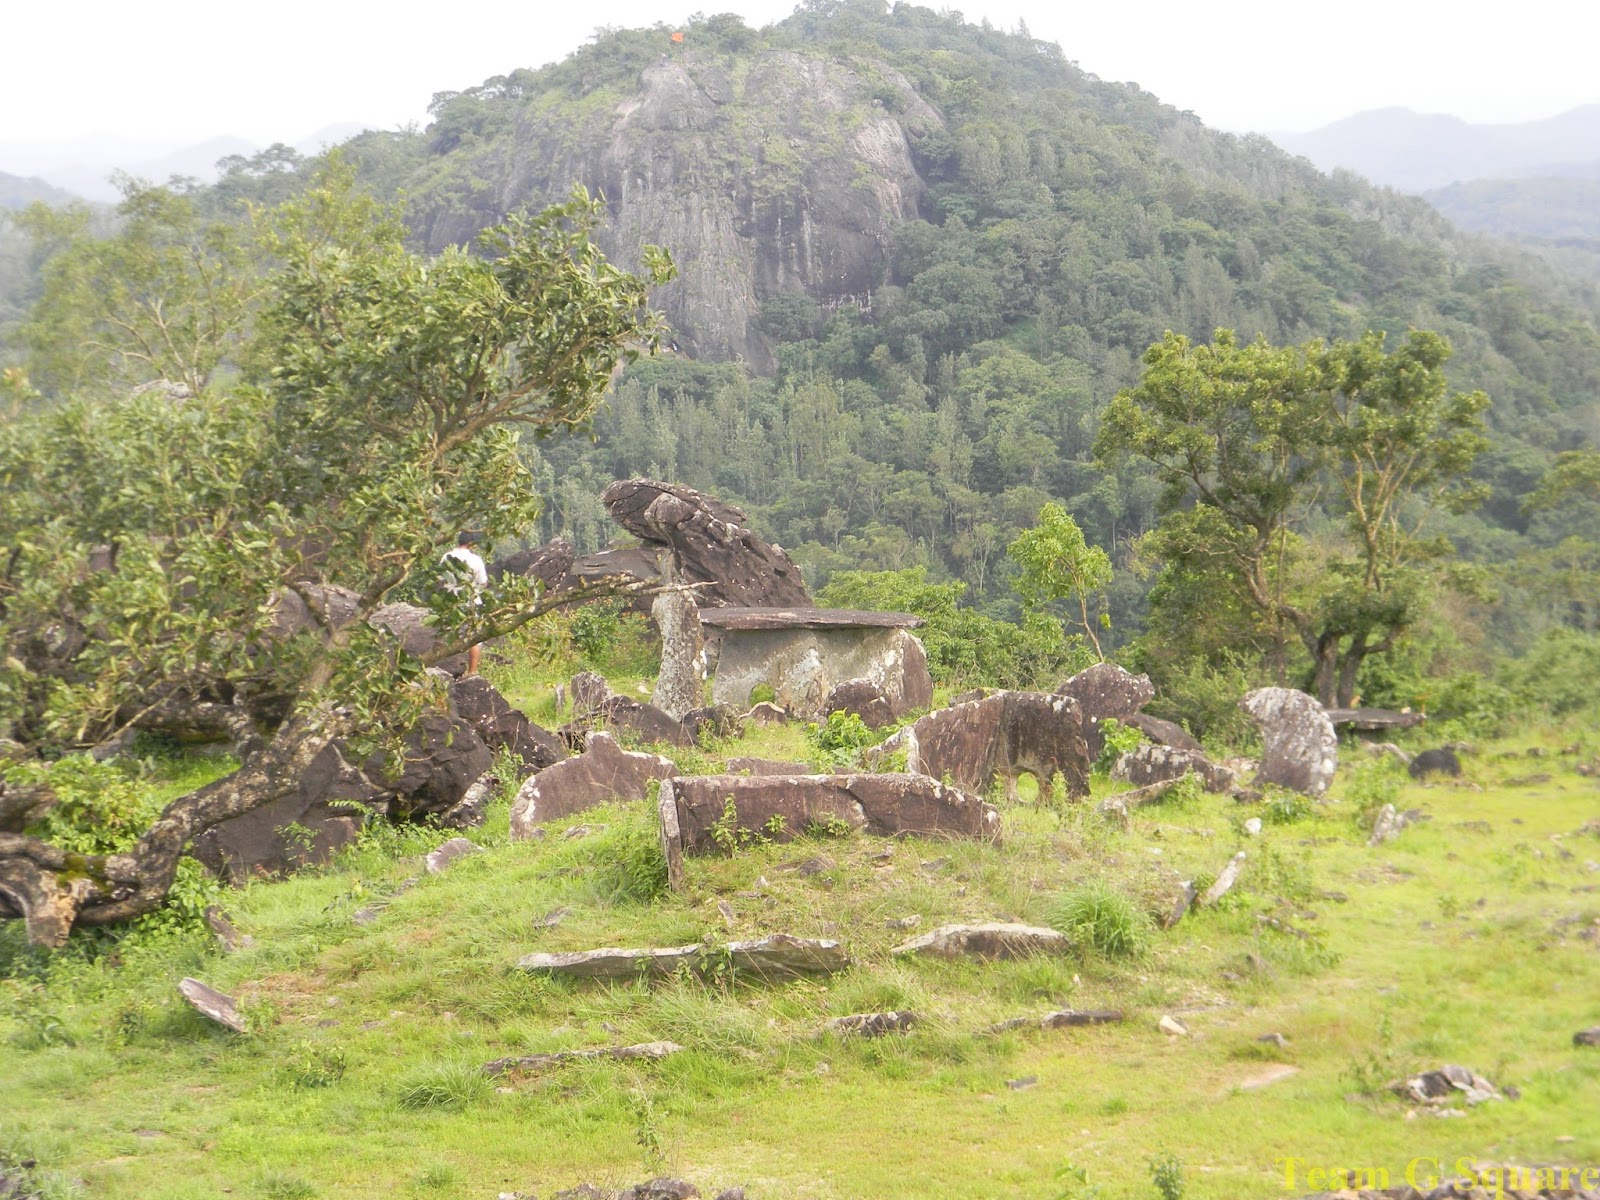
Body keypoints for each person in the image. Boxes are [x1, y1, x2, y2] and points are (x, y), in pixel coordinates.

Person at [440, 530, 489, 675]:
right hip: (472, 602)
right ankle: (472, 672)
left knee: (450, 635)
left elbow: (441, 579)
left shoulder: (446, 557)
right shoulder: (476, 560)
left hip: (451, 603)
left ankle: (448, 671)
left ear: (458, 541)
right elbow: (483, 582)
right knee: (474, 638)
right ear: (471, 543)